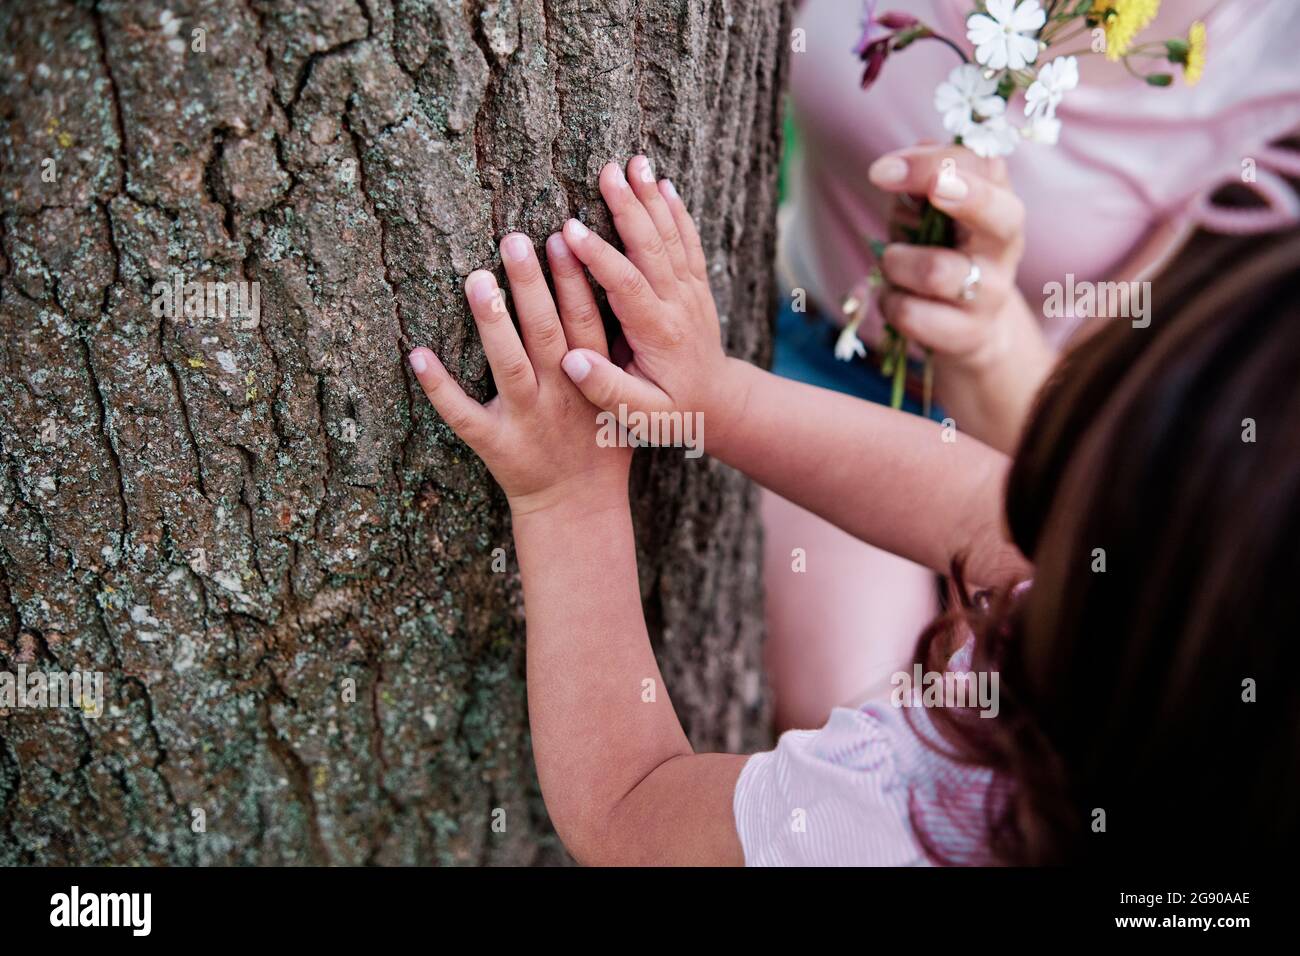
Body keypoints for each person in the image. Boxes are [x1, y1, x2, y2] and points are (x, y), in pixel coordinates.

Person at [406, 156, 1299, 864]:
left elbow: (628, 810)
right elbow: (989, 519)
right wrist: (722, 403)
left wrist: (567, 497)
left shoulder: (899, 819)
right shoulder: (1165, 643)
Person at [765, 0, 1300, 731]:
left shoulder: (1274, 61)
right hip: (830, 351)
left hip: (1036, 438)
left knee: (1003, 740)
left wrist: (989, 350)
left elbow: (1142, 436)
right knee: (848, 712)